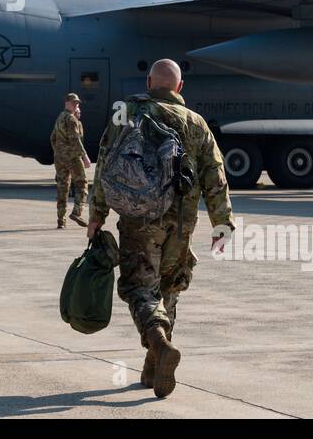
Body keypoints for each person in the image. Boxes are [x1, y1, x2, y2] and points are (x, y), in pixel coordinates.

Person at [88, 58, 234, 398]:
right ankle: (153, 366)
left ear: (150, 81)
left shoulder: (124, 112)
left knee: (139, 289)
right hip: (180, 223)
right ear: (179, 88)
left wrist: (97, 213)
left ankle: (157, 339)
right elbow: (215, 174)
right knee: (169, 288)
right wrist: (222, 223)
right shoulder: (195, 122)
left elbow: (105, 161)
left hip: (139, 220)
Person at [50, 92, 90, 229]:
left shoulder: (60, 117)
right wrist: (84, 156)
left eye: (77, 103)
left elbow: (53, 138)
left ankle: (61, 220)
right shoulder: (71, 119)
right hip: (73, 157)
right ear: (67, 103)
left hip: (60, 158)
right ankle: (77, 212)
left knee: (62, 187)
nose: (76, 105)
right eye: (74, 103)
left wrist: (58, 152)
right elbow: (75, 140)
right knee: (82, 184)